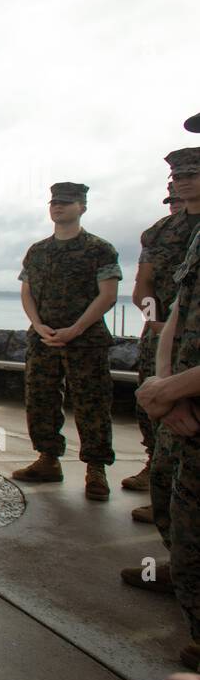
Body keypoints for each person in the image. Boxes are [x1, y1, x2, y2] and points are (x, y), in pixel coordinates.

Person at [128, 147, 200, 680]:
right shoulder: (178, 237)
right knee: (174, 504)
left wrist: (172, 387)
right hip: (181, 401)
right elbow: (167, 309)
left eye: (192, 170)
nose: (180, 178)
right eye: (177, 171)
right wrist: (166, 387)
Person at [12, 182, 120, 501]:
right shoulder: (38, 251)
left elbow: (108, 295)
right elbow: (27, 291)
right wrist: (39, 325)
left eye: (66, 202)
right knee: (40, 399)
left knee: (92, 403)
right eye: (54, 202)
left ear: (82, 207)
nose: (57, 207)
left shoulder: (100, 249)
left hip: (86, 341)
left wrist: (75, 329)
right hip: (43, 339)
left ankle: (96, 469)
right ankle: (48, 459)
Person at [127, 174, 200, 530]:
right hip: (165, 341)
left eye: (193, 174)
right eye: (179, 178)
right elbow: (143, 287)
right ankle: (169, 509)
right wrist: (156, 326)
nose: (182, 187)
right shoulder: (159, 233)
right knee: (158, 423)